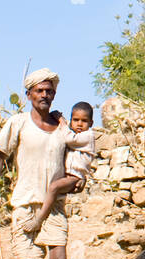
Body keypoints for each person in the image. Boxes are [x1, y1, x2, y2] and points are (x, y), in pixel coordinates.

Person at [0, 68, 91, 259]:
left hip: (54, 205)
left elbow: (76, 159)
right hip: (26, 201)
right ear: (29, 95)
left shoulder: (63, 128)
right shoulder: (18, 122)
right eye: (39, 90)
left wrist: (79, 180)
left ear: (54, 95)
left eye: (49, 91)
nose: (44, 95)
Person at [25, 101, 96, 239]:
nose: (80, 124)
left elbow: (70, 139)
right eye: (76, 120)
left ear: (91, 123)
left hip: (75, 176)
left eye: (84, 121)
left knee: (54, 187)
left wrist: (61, 122)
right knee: (52, 188)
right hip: (68, 175)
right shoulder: (73, 131)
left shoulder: (88, 136)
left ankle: (39, 218)